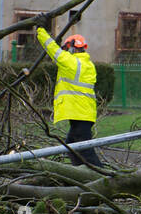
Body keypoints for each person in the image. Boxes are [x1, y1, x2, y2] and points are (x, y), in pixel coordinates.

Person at [35, 26, 104, 167]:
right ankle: (80, 173)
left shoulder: (72, 62)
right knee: (71, 147)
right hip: (83, 113)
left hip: (79, 113)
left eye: (67, 48)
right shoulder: (88, 64)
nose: (65, 51)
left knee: (84, 151)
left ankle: (103, 176)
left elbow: (52, 50)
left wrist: (41, 30)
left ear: (73, 48)